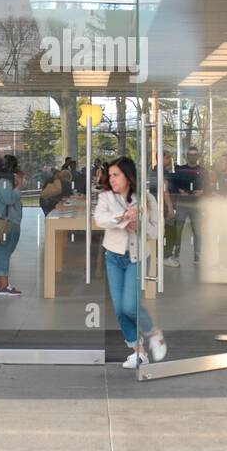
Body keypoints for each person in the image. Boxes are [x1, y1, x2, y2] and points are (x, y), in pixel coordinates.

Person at [95, 156, 167, 369]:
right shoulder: (106, 197)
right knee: (119, 309)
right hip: (113, 258)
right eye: (110, 176)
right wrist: (124, 217)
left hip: (136, 257)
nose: (112, 179)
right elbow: (100, 219)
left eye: (116, 175)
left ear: (128, 176)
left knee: (130, 305)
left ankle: (154, 333)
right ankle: (139, 352)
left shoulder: (147, 199)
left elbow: (156, 231)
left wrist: (140, 224)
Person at [0, 155, 23, 297]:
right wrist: (19, 186)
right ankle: (4, 286)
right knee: (4, 253)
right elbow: (9, 199)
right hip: (6, 222)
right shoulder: (3, 182)